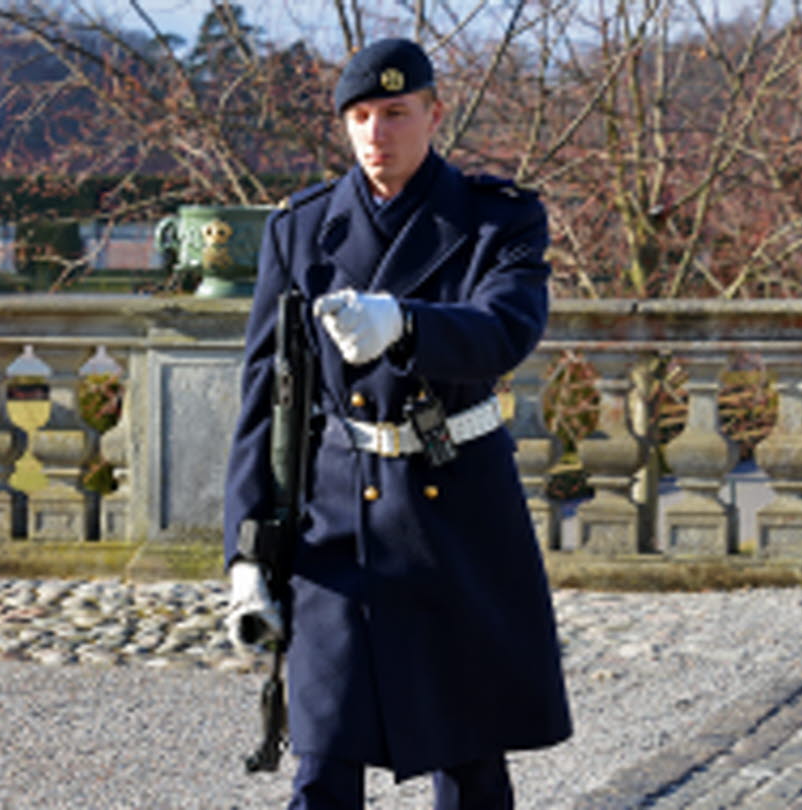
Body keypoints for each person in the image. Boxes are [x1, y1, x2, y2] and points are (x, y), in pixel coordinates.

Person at [222, 38, 572, 809]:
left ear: (434, 113)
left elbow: (506, 329)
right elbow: (265, 396)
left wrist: (406, 327)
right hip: (337, 519)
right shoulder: (302, 229)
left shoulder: (494, 220)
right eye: (360, 117)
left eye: (395, 112)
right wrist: (247, 550)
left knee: (469, 764)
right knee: (322, 759)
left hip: (457, 513)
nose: (376, 133)